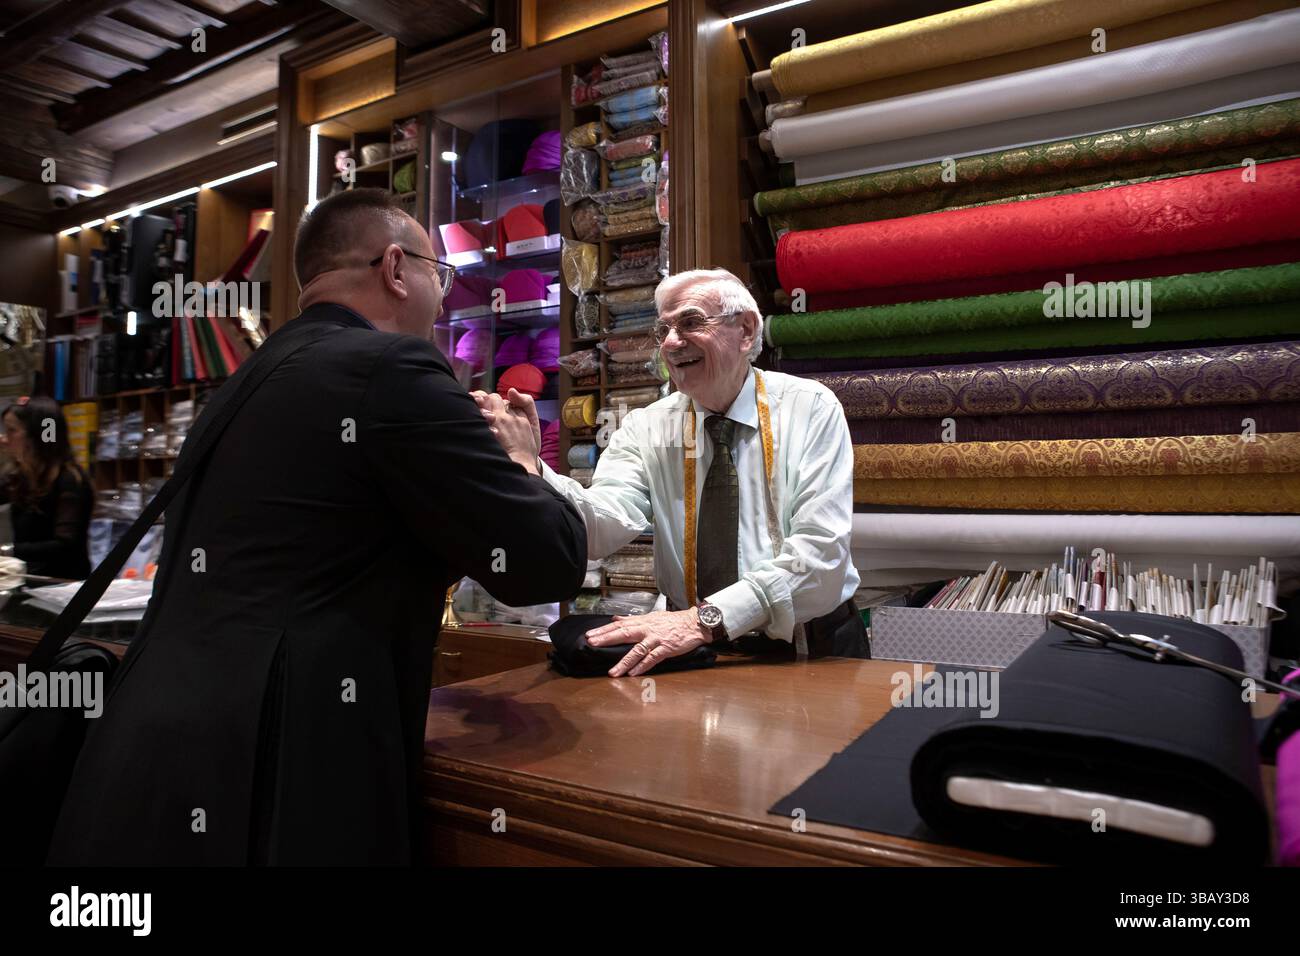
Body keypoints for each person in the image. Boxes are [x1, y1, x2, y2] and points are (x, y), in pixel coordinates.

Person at [47, 188, 587, 866]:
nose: (445, 298)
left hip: (143, 754)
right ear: (396, 267)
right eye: (438, 274)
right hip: (278, 766)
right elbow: (546, 563)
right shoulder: (393, 368)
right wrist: (522, 459)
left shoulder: (242, 384)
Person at [476, 268, 864, 678]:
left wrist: (702, 621)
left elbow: (819, 557)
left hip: (810, 648)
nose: (672, 343)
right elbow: (600, 527)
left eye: (691, 322)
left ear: (746, 331)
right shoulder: (648, 426)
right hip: (691, 652)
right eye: (663, 330)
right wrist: (531, 464)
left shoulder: (810, 408)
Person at [0, 397, 93, 580]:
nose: (4, 439)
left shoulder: (70, 480)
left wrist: (7, 550)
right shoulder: (19, 477)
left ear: (36, 436)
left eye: (12, 431)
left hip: (63, 588)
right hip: (30, 583)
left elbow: (65, 545)